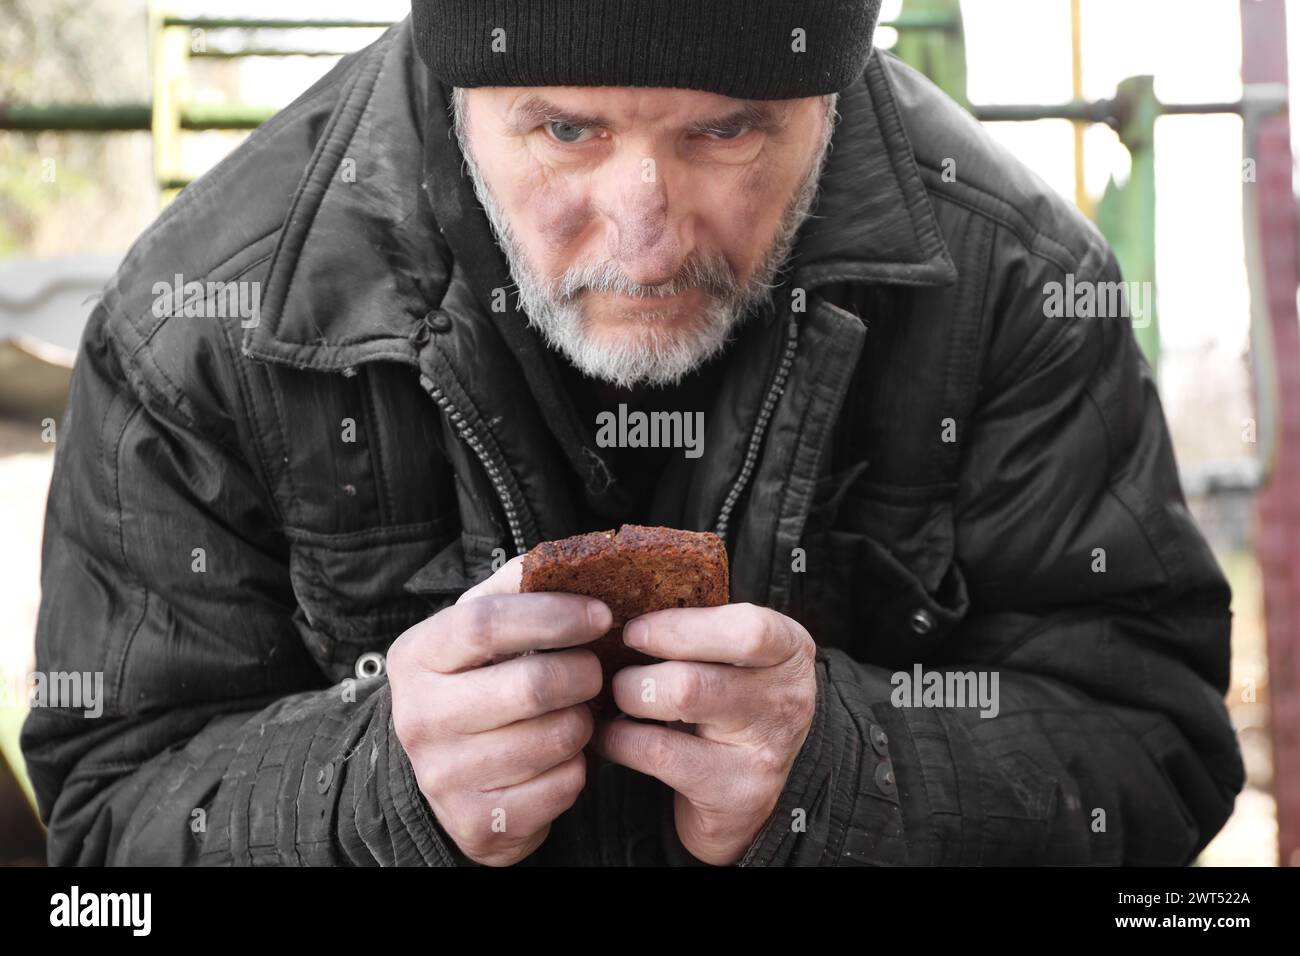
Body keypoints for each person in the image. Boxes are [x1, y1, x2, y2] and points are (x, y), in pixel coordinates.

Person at [22, 0, 1243, 866]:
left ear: (830, 96)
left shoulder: (1011, 279)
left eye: (727, 132)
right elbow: (105, 822)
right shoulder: (206, 314)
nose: (643, 236)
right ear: (461, 94)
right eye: (566, 131)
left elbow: (1156, 752)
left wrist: (840, 775)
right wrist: (372, 789)